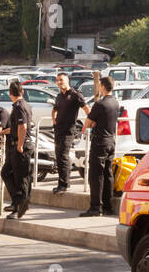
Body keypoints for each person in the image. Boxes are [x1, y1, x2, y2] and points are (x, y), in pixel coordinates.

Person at [81, 72, 119, 217]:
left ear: (102, 87)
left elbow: (87, 124)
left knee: (95, 174)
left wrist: (91, 123)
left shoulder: (100, 104)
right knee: (108, 173)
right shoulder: (115, 102)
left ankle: (96, 207)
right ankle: (107, 206)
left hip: (100, 141)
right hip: (111, 140)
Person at [1, 79, 35, 220]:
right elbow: (17, 127)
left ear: (10, 93)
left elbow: (22, 127)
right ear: (22, 91)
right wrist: (3, 132)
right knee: (7, 173)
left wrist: (20, 145)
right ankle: (18, 201)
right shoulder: (25, 105)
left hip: (21, 145)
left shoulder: (19, 106)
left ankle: (20, 205)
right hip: (19, 144)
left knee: (20, 178)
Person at [50, 71, 86, 194]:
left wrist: (89, 124)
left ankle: (64, 184)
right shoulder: (59, 96)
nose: (59, 82)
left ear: (67, 81)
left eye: (61, 80)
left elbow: (87, 109)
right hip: (58, 130)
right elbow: (54, 110)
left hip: (68, 131)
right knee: (59, 156)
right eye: (57, 80)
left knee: (63, 156)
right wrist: (54, 121)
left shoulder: (75, 95)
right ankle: (62, 183)